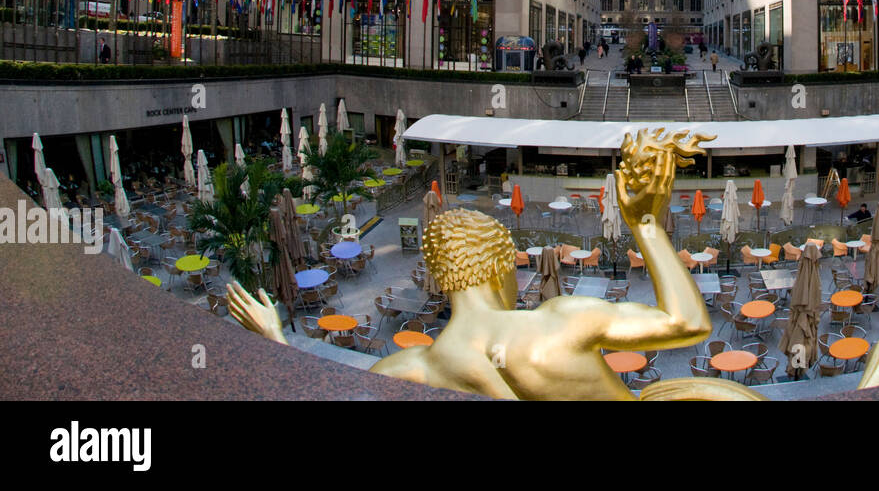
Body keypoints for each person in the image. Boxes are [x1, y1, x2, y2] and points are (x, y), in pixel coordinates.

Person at [228, 129, 760, 400]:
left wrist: (278, 345)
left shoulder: (412, 370)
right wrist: (645, 225)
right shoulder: (562, 319)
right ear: (501, 264)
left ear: (439, 275)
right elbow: (689, 323)